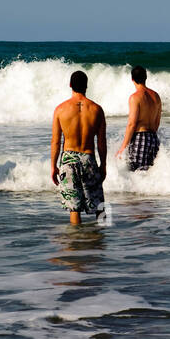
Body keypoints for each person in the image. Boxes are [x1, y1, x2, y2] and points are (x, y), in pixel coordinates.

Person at [50, 70, 106, 224]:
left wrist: (53, 166)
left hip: (68, 160)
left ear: (70, 85)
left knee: (74, 207)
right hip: (89, 158)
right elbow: (101, 142)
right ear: (86, 86)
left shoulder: (60, 109)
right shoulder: (97, 110)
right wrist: (104, 165)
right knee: (100, 204)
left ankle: (75, 242)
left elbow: (55, 141)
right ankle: (103, 236)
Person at [115, 64, 161, 171]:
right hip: (154, 139)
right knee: (148, 174)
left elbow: (132, 124)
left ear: (132, 79)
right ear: (145, 77)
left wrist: (123, 147)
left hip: (140, 138)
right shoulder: (156, 96)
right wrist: (151, 138)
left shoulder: (135, 97)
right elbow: (157, 122)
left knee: (135, 172)